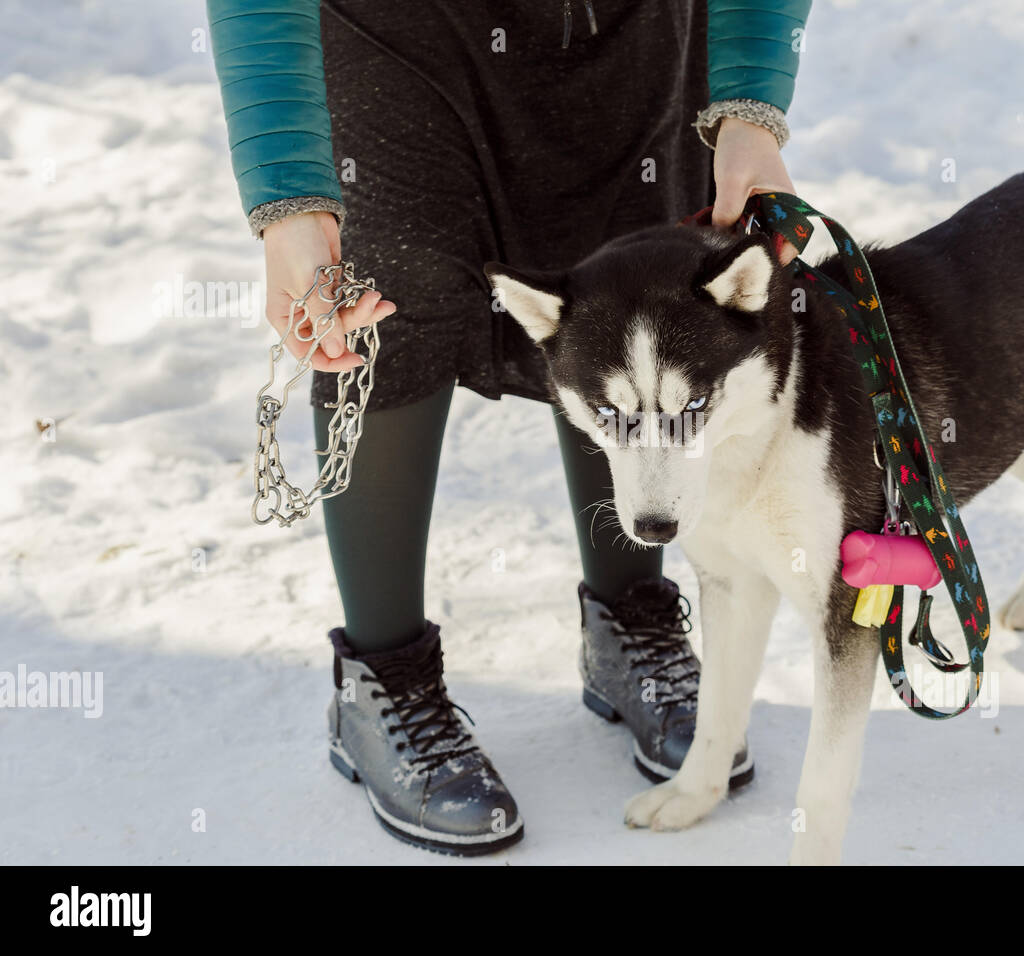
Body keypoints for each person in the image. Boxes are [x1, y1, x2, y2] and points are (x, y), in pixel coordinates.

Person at [208, 0, 810, 855]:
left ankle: (631, 621)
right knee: (381, 303)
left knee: (626, 289)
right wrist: (289, 195)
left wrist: (749, 105)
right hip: (393, 38)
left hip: (629, 37)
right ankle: (382, 682)